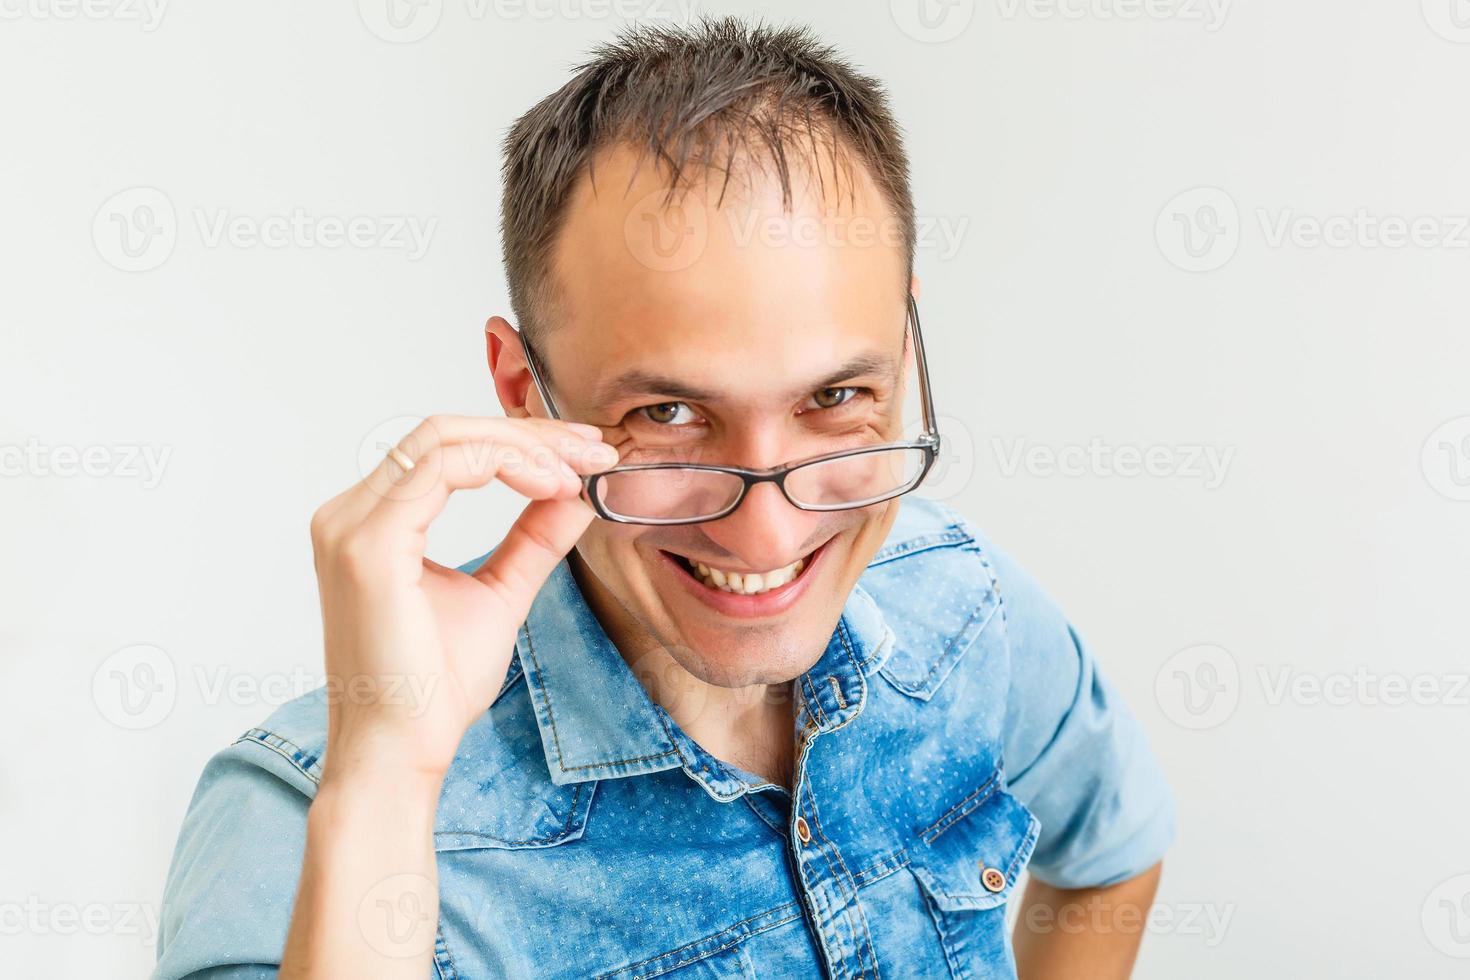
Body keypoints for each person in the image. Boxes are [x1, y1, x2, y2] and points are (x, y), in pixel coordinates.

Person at [154, 18, 1174, 979]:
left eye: (835, 397)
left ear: (905, 357)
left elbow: (1113, 845)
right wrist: (386, 775)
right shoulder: (292, 823)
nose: (768, 528)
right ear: (523, 390)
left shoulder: (952, 601)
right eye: (672, 413)